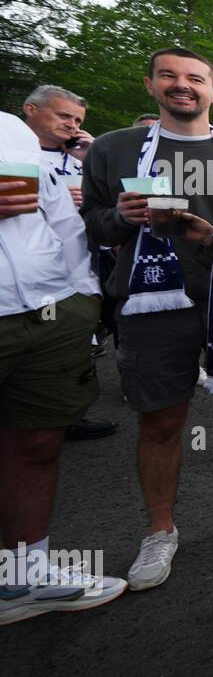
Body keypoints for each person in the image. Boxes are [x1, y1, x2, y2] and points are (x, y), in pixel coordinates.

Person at [80, 47, 213, 591]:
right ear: (150, 84)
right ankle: (160, 529)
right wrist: (118, 218)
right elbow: (91, 228)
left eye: (196, 79)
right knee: (161, 421)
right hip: (151, 306)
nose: (183, 86)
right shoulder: (114, 148)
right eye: (169, 76)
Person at [0, 112, 127, 625]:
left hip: (51, 310)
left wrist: (84, 294)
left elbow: (59, 216)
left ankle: (20, 577)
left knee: (35, 442)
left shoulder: (10, 129)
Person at [20, 85, 117, 441]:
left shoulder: (78, 158)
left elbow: (106, 210)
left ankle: (68, 415)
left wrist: (90, 158)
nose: (72, 125)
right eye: (64, 116)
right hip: (21, 281)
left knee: (74, 349)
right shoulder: (12, 153)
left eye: (77, 119)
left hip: (78, 271)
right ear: (30, 110)